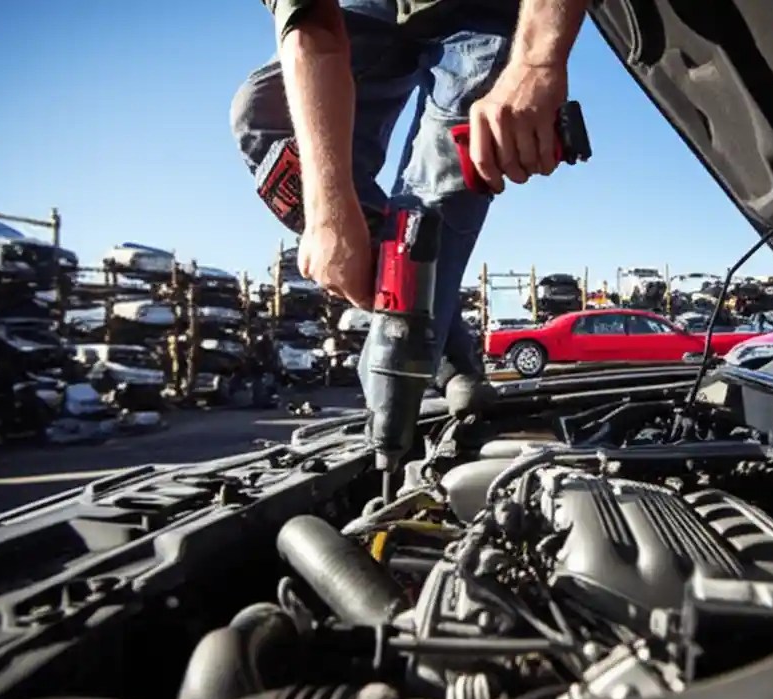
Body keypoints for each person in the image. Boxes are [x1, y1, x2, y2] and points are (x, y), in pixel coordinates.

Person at [231, 0, 589, 404]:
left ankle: (403, 396)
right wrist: (329, 213)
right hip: (380, 6)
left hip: (484, 11)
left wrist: (537, 64)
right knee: (264, 114)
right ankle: (430, 327)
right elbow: (314, 30)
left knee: (427, 200)